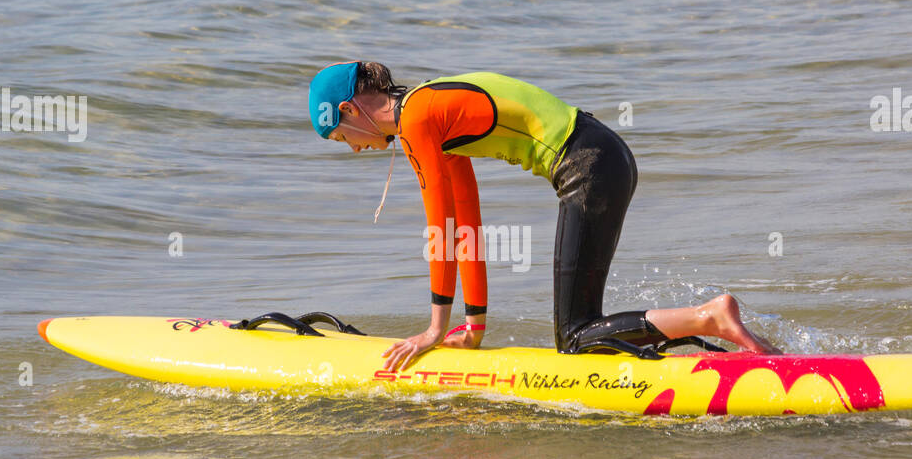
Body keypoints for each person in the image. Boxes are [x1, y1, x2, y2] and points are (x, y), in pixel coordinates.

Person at [307, 61, 778, 372]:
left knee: (574, 338)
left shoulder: (416, 120)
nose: (351, 147)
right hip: (606, 155)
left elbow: (440, 228)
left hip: (587, 166)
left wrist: (434, 329)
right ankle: (701, 343)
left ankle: (709, 318)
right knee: (582, 326)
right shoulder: (431, 111)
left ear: (349, 111)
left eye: (340, 137)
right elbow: (465, 222)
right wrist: (473, 326)